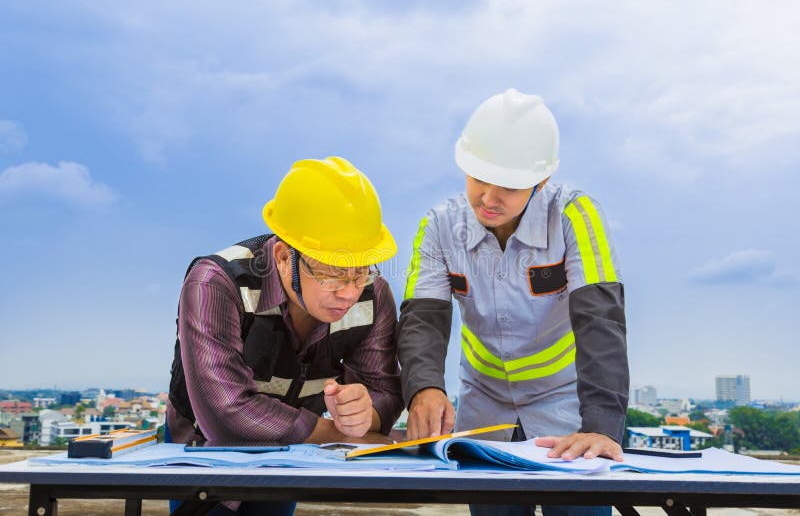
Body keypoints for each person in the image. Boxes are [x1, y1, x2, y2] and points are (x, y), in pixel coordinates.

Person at [397, 89, 629, 516]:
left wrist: (601, 426)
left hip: (570, 406)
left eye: (508, 185)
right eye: (478, 178)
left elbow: (602, 321)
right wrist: (424, 389)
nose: (488, 197)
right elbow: (422, 321)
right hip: (485, 406)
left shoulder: (577, 216)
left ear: (540, 182)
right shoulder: (438, 226)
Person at [166, 156, 404, 515]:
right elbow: (225, 412)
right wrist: (334, 433)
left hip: (294, 452)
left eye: (360, 273)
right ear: (282, 257)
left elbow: (385, 391)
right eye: (332, 274)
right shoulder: (215, 284)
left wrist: (364, 414)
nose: (349, 292)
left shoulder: (374, 294)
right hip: (205, 450)